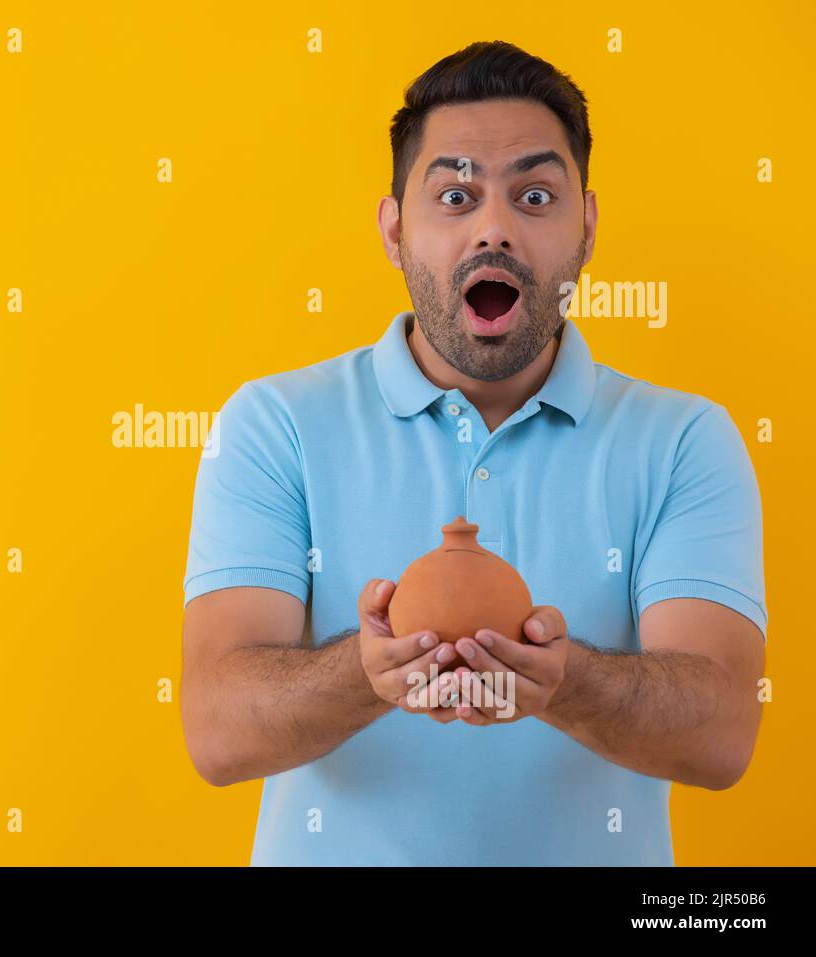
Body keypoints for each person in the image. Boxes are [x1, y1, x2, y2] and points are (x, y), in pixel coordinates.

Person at [180, 40, 767, 866]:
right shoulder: (275, 423)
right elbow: (215, 726)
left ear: (587, 227)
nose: (494, 228)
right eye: (455, 195)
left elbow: (723, 733)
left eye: (534, 195)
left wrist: (563, 679)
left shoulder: (683, 440)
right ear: (394, 230)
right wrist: (369, 670)